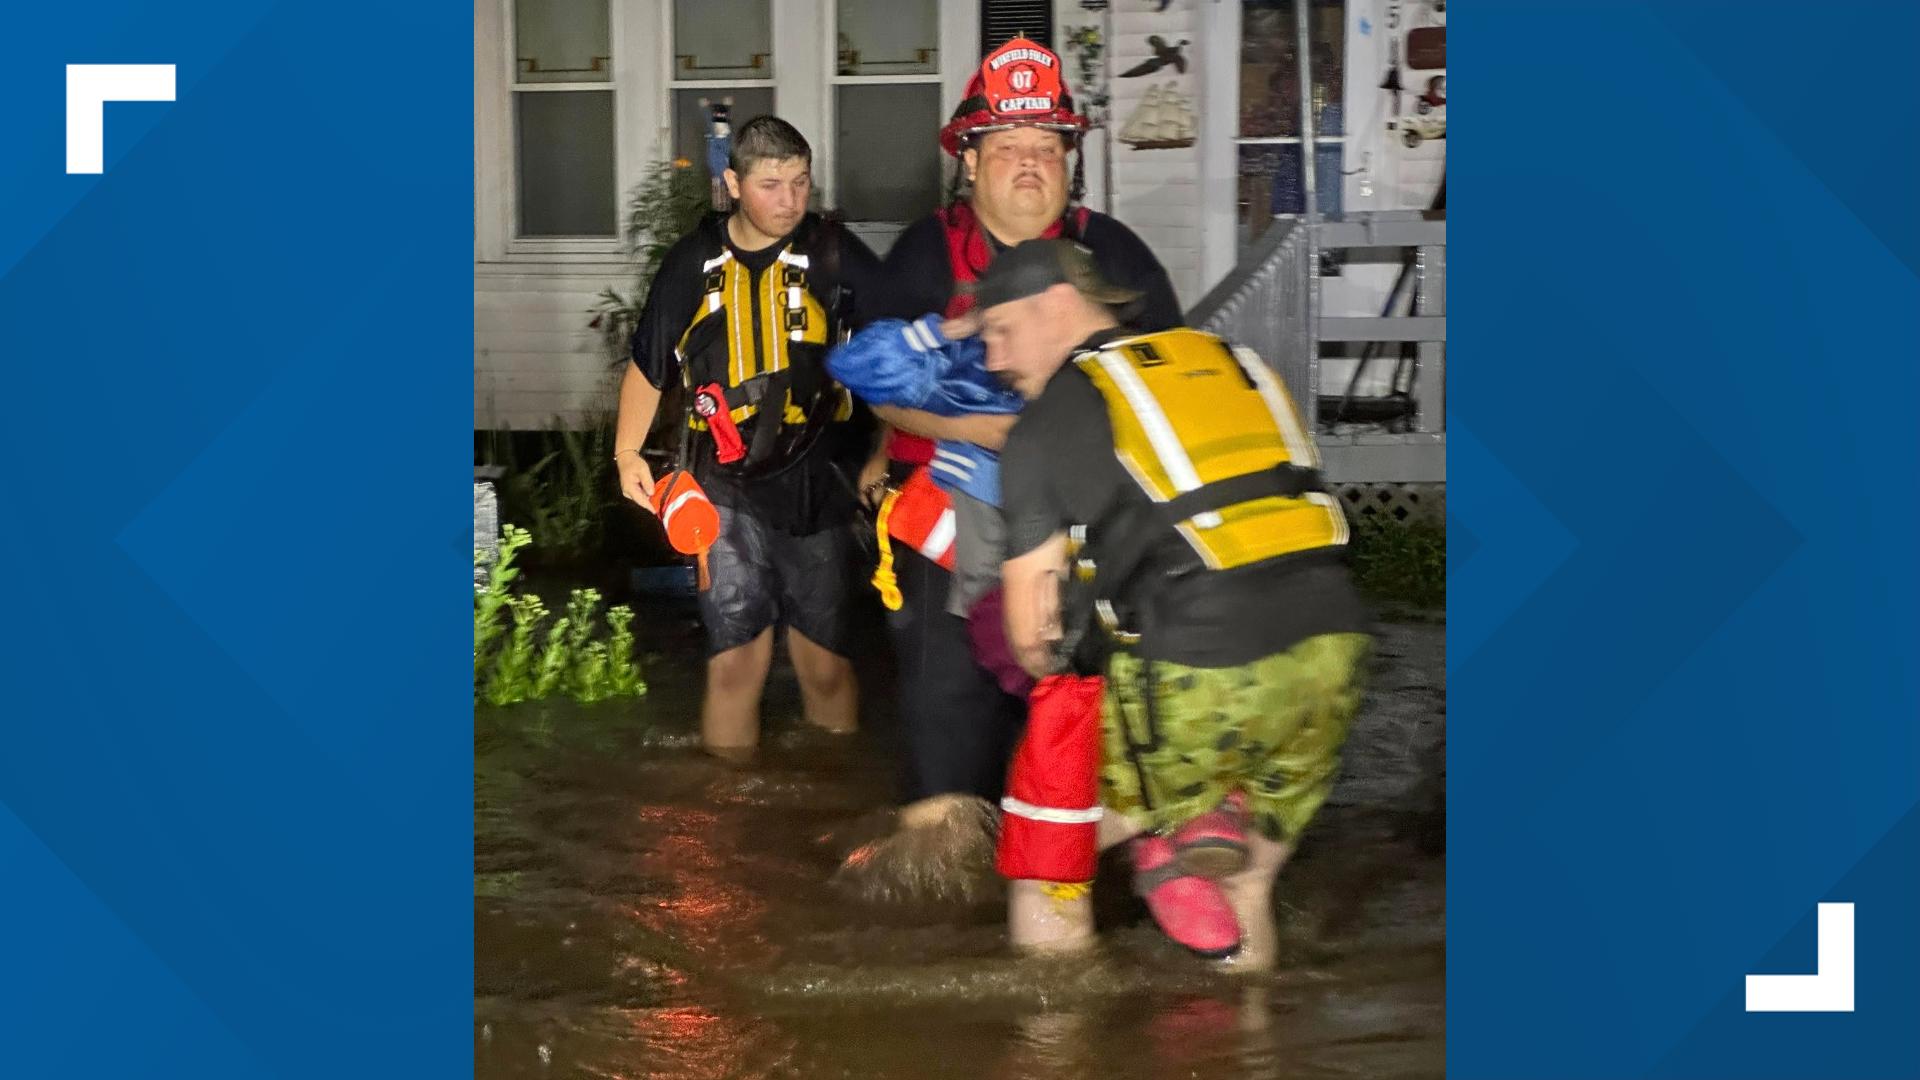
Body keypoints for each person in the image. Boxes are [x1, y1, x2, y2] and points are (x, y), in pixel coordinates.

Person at [982, 238, 1374, 969]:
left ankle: (1055, 1044)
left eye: (1001, 330)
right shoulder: (1230, 360)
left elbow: (1032, 634)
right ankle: (1248, 1035)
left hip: (1196, 675)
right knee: (1249, 887)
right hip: (1335, 654)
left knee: (1046, 866)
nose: (994, 359)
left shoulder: (1051, 418)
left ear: (1058, 305)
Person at [860, 37, 1183, 808]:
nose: (1031, 163)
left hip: (1088, 535)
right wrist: (979, 436)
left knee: (1093, 740)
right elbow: (878, 391)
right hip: (948, 527)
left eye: (1048, 146)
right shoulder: (922, 254)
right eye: (1009, 147)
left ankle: (1072, 888)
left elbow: (1165, 384)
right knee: (948, 738)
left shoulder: (1114, 254)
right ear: (969, 161)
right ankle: (947, 890)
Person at [615, 116, 883, 762]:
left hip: (816, 474)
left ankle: (830, 808)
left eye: (800, 182)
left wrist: (882, 454)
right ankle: (730, 818)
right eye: (771, 185)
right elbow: (651, 363)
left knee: (823, 666)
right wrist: (627, 452)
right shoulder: (693, 262)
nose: (790, 201)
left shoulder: (835, 254)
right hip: (722, 479)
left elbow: (895, 356)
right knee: (735, 662)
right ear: (732, 182)